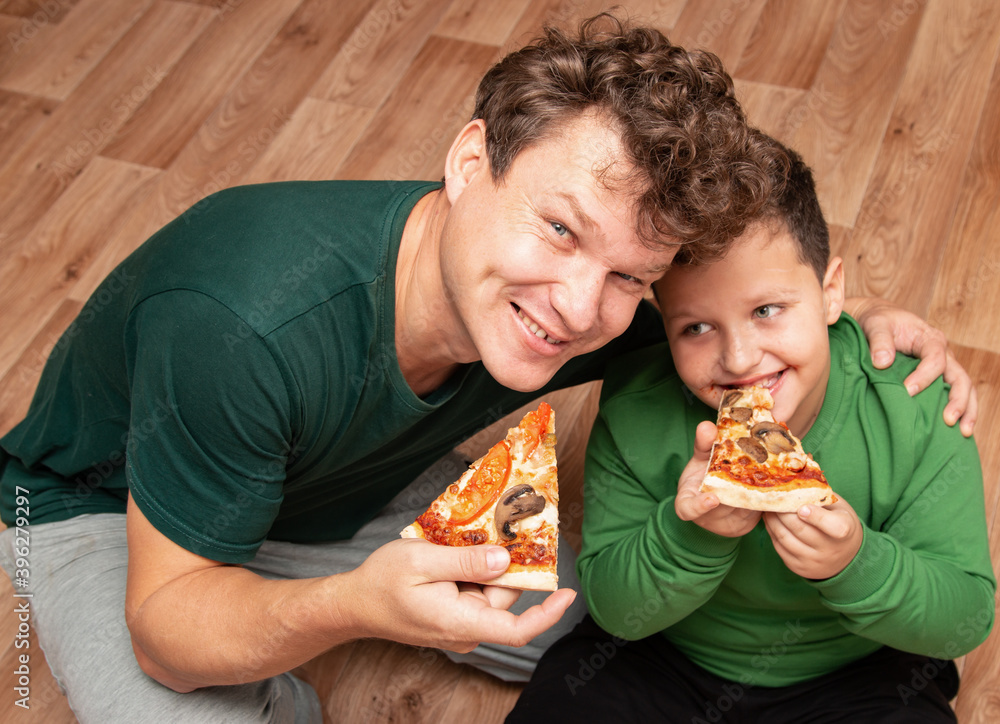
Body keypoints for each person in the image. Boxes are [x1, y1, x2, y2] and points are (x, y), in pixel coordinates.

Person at [0, 15, 976, 724]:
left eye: (629, 276)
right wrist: (355, 605)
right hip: (104, 509)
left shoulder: (600, 306)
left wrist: (866, 325)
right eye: (559, 228)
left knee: (590, 626)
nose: (577, 308)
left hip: (338, 485)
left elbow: (738, 326)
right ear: (471, 162)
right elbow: (165, 632)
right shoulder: (238, 325)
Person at [506, 142, 995, 723]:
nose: (739, 359)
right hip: (660, 655)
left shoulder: (916, 403)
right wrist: (690, 535)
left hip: (857, 670)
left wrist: (857, 562)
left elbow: (964, 618)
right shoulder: (636, 404)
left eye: (767, 310)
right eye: (697, 327)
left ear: (831, 293)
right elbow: (613, 608)